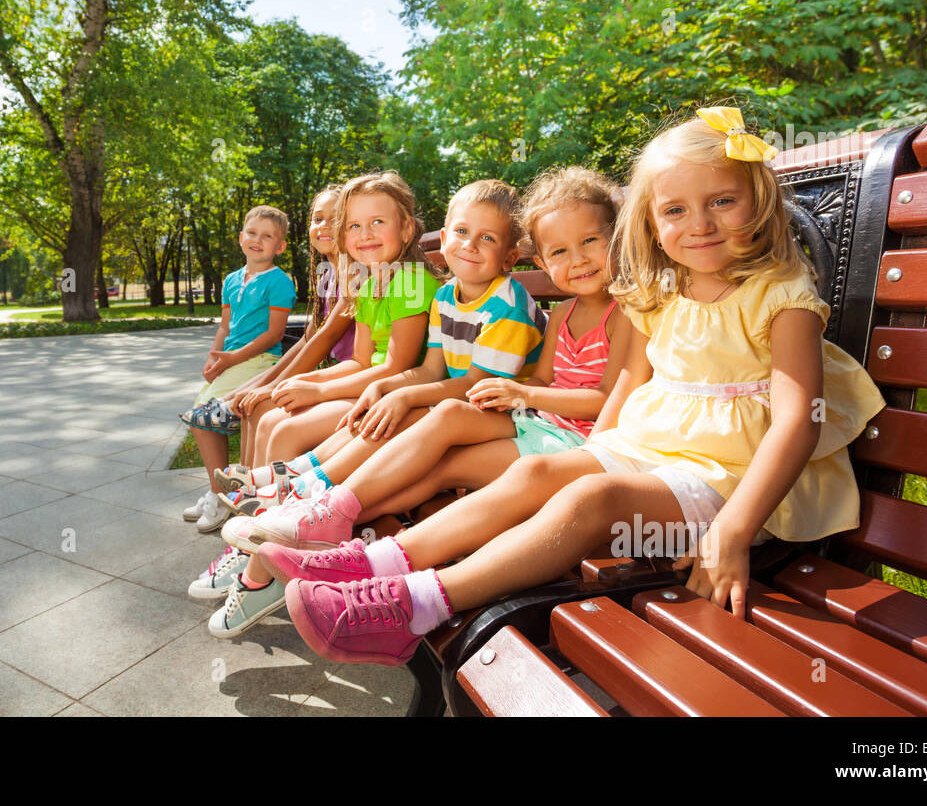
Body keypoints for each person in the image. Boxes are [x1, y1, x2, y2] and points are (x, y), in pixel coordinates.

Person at [281, 106, 887, 665]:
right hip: (654, 457)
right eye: (675, 210)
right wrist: (584, 442)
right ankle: (372, 562)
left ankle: (412, 606)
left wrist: (733, 531)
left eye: (723, 201)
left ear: (757, 201)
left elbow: (797, 420)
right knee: (534, 475)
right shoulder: (663, 292)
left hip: (737, 486)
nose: (699, 225)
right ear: (650, 221)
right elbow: (628, 390)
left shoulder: (780, 295)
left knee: (588, 501)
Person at [203, 180, 547, 636]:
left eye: (486, 237)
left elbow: (446, 378)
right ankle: (272, 517)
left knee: (293, 424)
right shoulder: (429, 293)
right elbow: (380, 364)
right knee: (272, 414)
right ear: (443, 239)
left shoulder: (435, 287)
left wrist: (365, 391)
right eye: (354, 226)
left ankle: (289, 512)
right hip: (449, 402)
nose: (363, 234)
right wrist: (311, 382)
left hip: (489, 412)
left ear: (407, 229)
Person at [248, 167, 626, 576]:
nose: (578, 258)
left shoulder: (523, 308)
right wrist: (392, 389)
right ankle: (319, 512)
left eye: (590, 241)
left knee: (434, 425)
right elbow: (440, 371)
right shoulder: (453, 297)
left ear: (511, 257)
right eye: (463, 232)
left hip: (545, 426)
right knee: (414, 416)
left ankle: (317, 501)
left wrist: (407, 392)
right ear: (444, 240)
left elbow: (511, 387)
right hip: (527, 415)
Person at [219, 185, 357, 484]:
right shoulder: (328, 272)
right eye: (318, 218)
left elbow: (324, 340)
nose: (323, 226)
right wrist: (255, 385)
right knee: (251, 403)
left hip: (350, 378)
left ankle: (258, 500)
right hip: (338, 376)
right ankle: (243, 489)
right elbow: (309, 338)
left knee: (265, 406)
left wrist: (275, 387)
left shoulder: (355, 274)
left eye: (335, 219)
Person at [179, 205, 294, 531]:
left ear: (280, 246)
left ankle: (221, 495)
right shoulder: (231, 280)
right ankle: (221, 490)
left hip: (260, 361)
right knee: (200, 417)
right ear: (241, 237)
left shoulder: (279, 282)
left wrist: (233, 358)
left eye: (268, 236)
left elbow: (274, 333)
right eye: (252, 233)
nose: (258, 240)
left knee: (203, 416)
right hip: (231, 362)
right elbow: (225, 327)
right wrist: (214, 357)